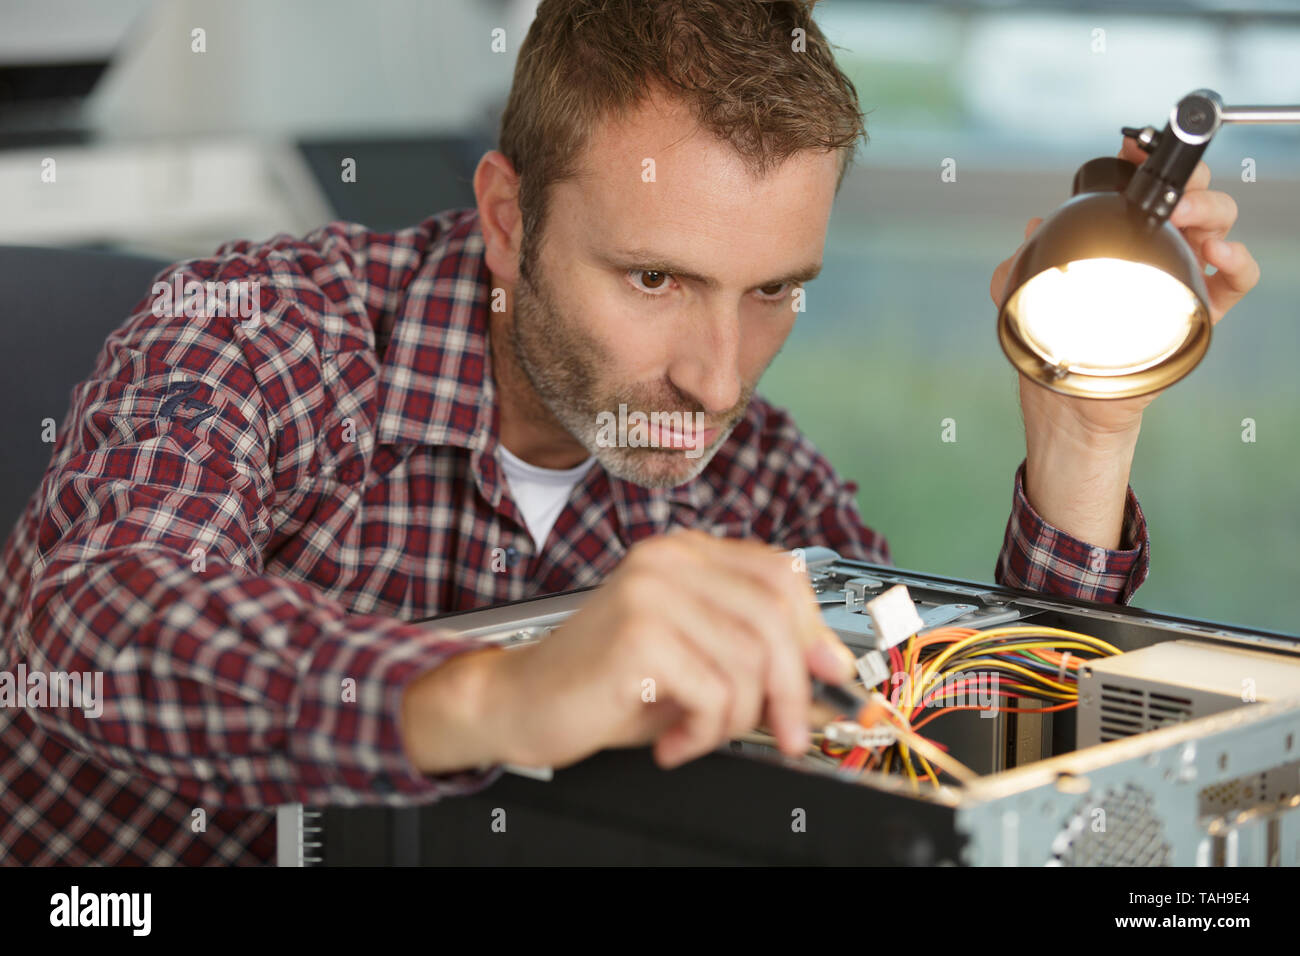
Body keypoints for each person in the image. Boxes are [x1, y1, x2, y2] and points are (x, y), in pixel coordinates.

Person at [0, 0, 1258, 865]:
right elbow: (93, 623)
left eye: (770, 290)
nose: (717, 378)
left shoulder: (754, 475)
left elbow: (936, 735)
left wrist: (1082, 439)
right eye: (655, 279)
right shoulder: (263, 326)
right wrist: (496, 689)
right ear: (507, 219)